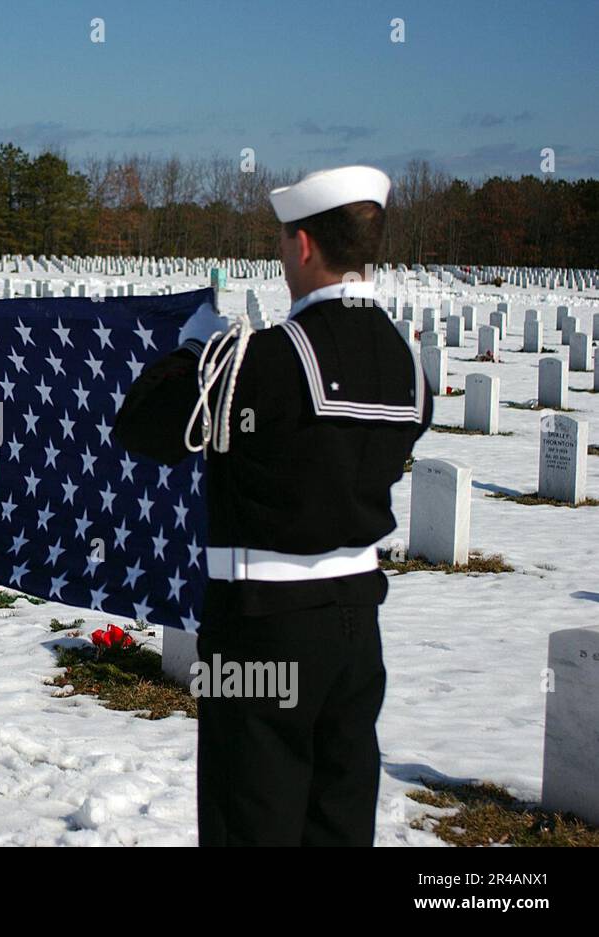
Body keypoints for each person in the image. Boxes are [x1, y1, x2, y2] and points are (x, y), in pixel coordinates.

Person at [112, 166, 432, 846]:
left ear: (305, 246)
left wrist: (195, 350)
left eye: (285, 240)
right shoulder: (409, 364)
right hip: (357, 627)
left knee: (248, 821)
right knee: (337, 820)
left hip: (263, 628)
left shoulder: (257, 361)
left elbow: (141, 427)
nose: (282, 254)